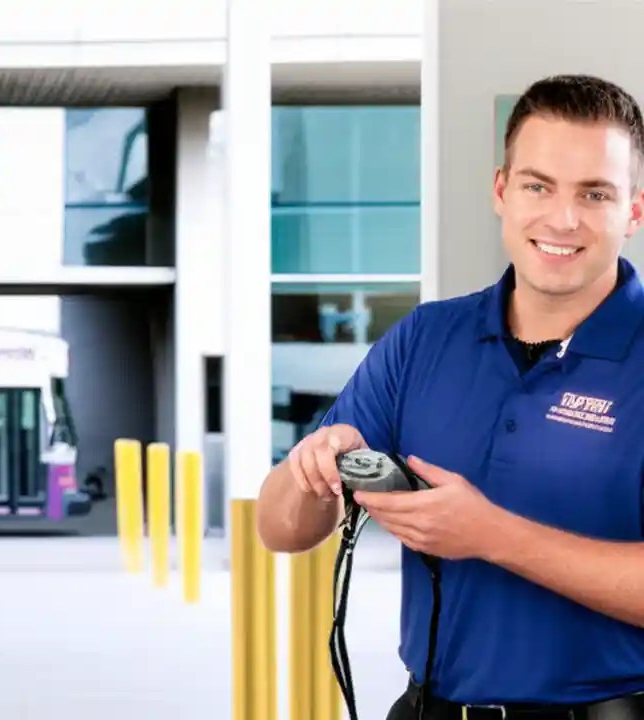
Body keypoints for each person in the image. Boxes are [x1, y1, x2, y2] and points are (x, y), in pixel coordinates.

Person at [255, 74, 644, 719]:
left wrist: (491, 535)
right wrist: (311, 471)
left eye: (595, 193)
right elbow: (279, 531)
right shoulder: (426, 339)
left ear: (634, 209)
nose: (561, 218)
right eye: (537, 185)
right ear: (501, 190)